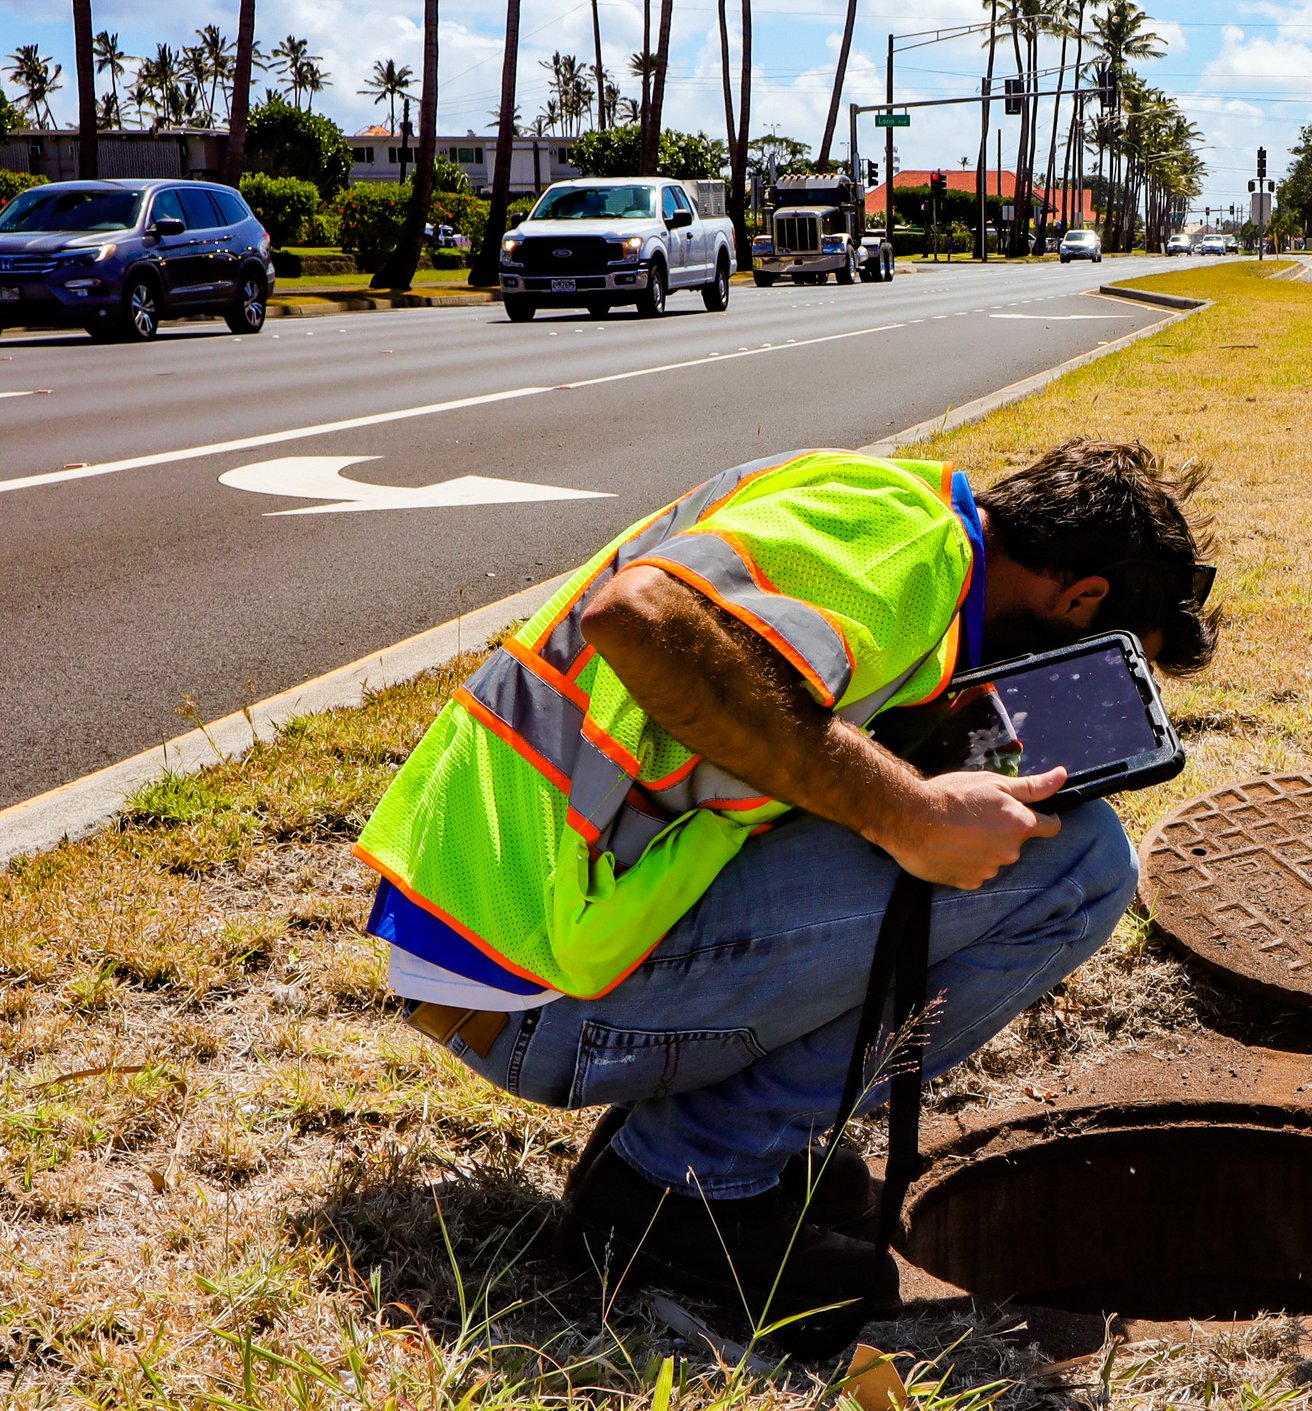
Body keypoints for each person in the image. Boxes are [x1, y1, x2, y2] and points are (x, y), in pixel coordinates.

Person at [354, 440, 1216, 1353]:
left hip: (496, 944)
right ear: (1080, 599)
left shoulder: (896, 505)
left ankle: (692, 1146)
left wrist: (911, 774)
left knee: (969, 817)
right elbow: (636, 616)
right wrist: (909, 811)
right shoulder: (906, 551)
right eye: (1108, 655)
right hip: (533, 988)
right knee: (1082, 862)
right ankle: (683, 1184)